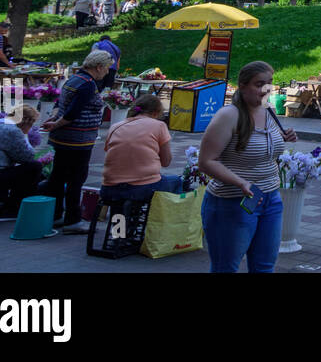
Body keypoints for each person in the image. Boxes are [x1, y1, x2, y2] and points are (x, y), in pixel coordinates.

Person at [198, 60, 298, 272]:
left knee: (264, 267)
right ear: (242, 86)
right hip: (232, 202)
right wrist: (240, 182)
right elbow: (206, 161)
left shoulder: (267, 110)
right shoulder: (228, 115)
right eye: (258, 84)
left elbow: (258, 143)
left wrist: (283, 137)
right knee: (226, 267)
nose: (265, 90)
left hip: (270, 199)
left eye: (269, 83)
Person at [40, 50, 112, 232]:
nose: (107, 72)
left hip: (63, 138)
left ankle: (55, 214)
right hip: (77, 140)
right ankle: (72, 219)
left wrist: (54, 120)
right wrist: (55, 124)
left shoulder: (73, 79)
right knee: (76, 179)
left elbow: (60, 104)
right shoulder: (88, 84)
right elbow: (73, 112)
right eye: (107, 68)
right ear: (99, 67)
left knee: (58, 176)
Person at [102, 94, 182, 200]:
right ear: (156, 113)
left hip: (109, 188)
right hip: (143, 188)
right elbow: (166, 162)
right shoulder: (159, 125)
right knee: (177, 181)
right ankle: (163, 216)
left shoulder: (115, 126)